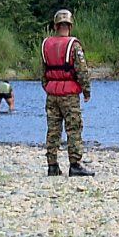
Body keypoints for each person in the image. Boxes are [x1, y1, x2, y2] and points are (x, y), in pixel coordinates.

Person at [41, 9, 94, 177]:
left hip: (51, 94)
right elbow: (82, 71)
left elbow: (43, 74)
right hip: (69, 95)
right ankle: (75, 165)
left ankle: (52, 165)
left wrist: (49, 87)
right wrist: (86, 90)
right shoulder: (74, 45)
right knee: (73, 128)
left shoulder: (45, 44)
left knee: (53, 129)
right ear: (70, 25)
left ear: (56, 25)